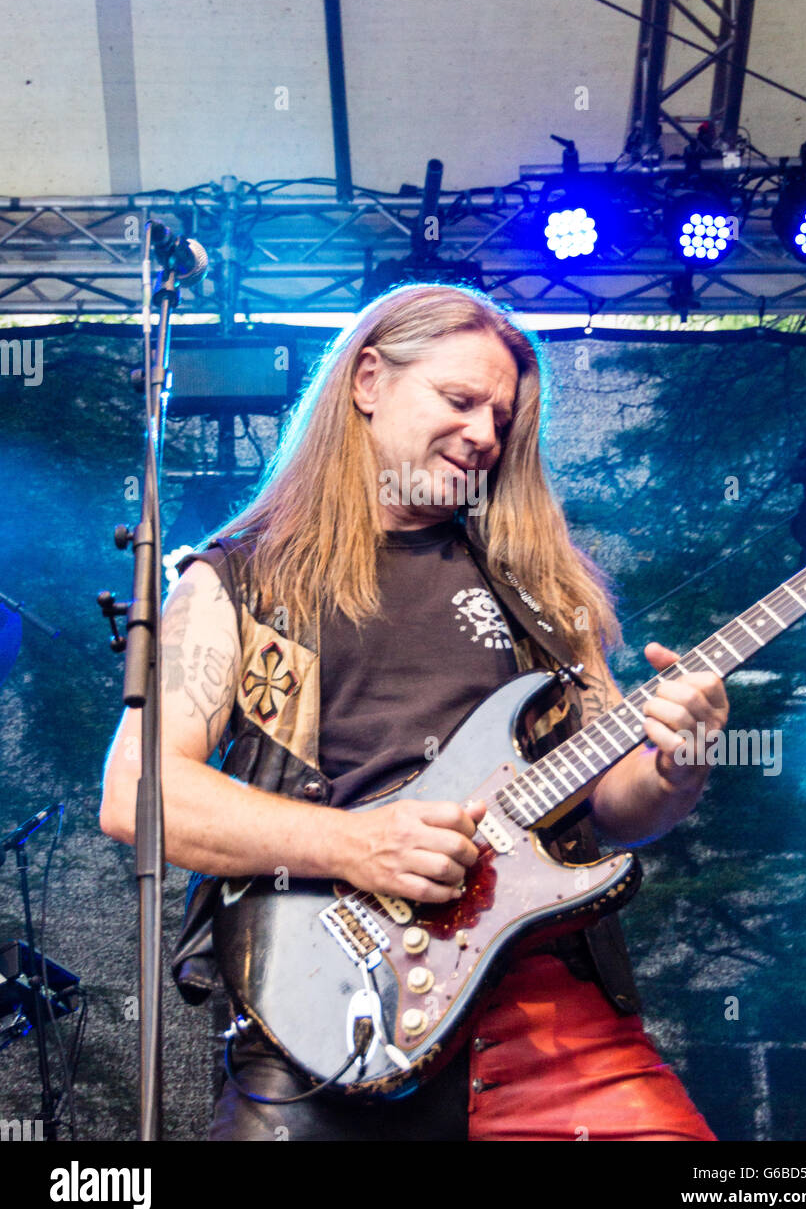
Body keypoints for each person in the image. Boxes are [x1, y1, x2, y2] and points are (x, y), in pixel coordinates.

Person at [100, 282, 729, 1141]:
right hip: (332, 1018)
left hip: (546, 1013)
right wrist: (356, 844)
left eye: (500, 418)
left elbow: (614, 807)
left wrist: (675, 770)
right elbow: (138, 792)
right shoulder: (239, 580)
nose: (484, 435)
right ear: (368, 380)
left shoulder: (541, 589)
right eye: (459, 400)